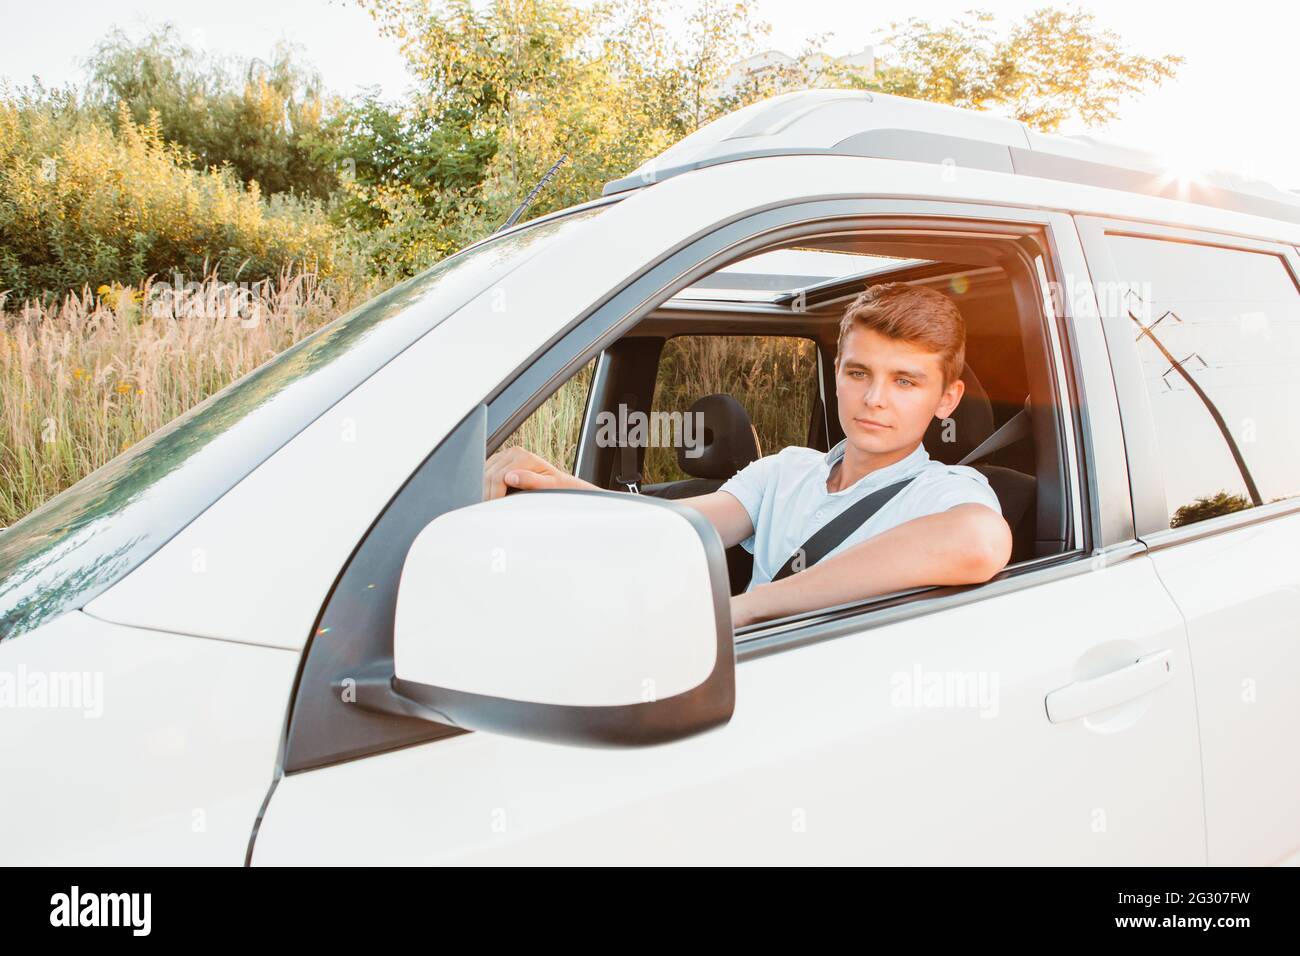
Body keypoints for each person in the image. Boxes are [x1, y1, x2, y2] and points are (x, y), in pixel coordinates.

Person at [484, 282, 1013, 629]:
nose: (875, 399)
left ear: (946, 399)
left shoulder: (945, 491)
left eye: (905, 381)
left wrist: (742, 611)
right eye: (859, 373)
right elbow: (672, 528)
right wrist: (557, 486)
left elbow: (980, 542)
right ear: (837, 374)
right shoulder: (786, 469)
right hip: (747, 675)